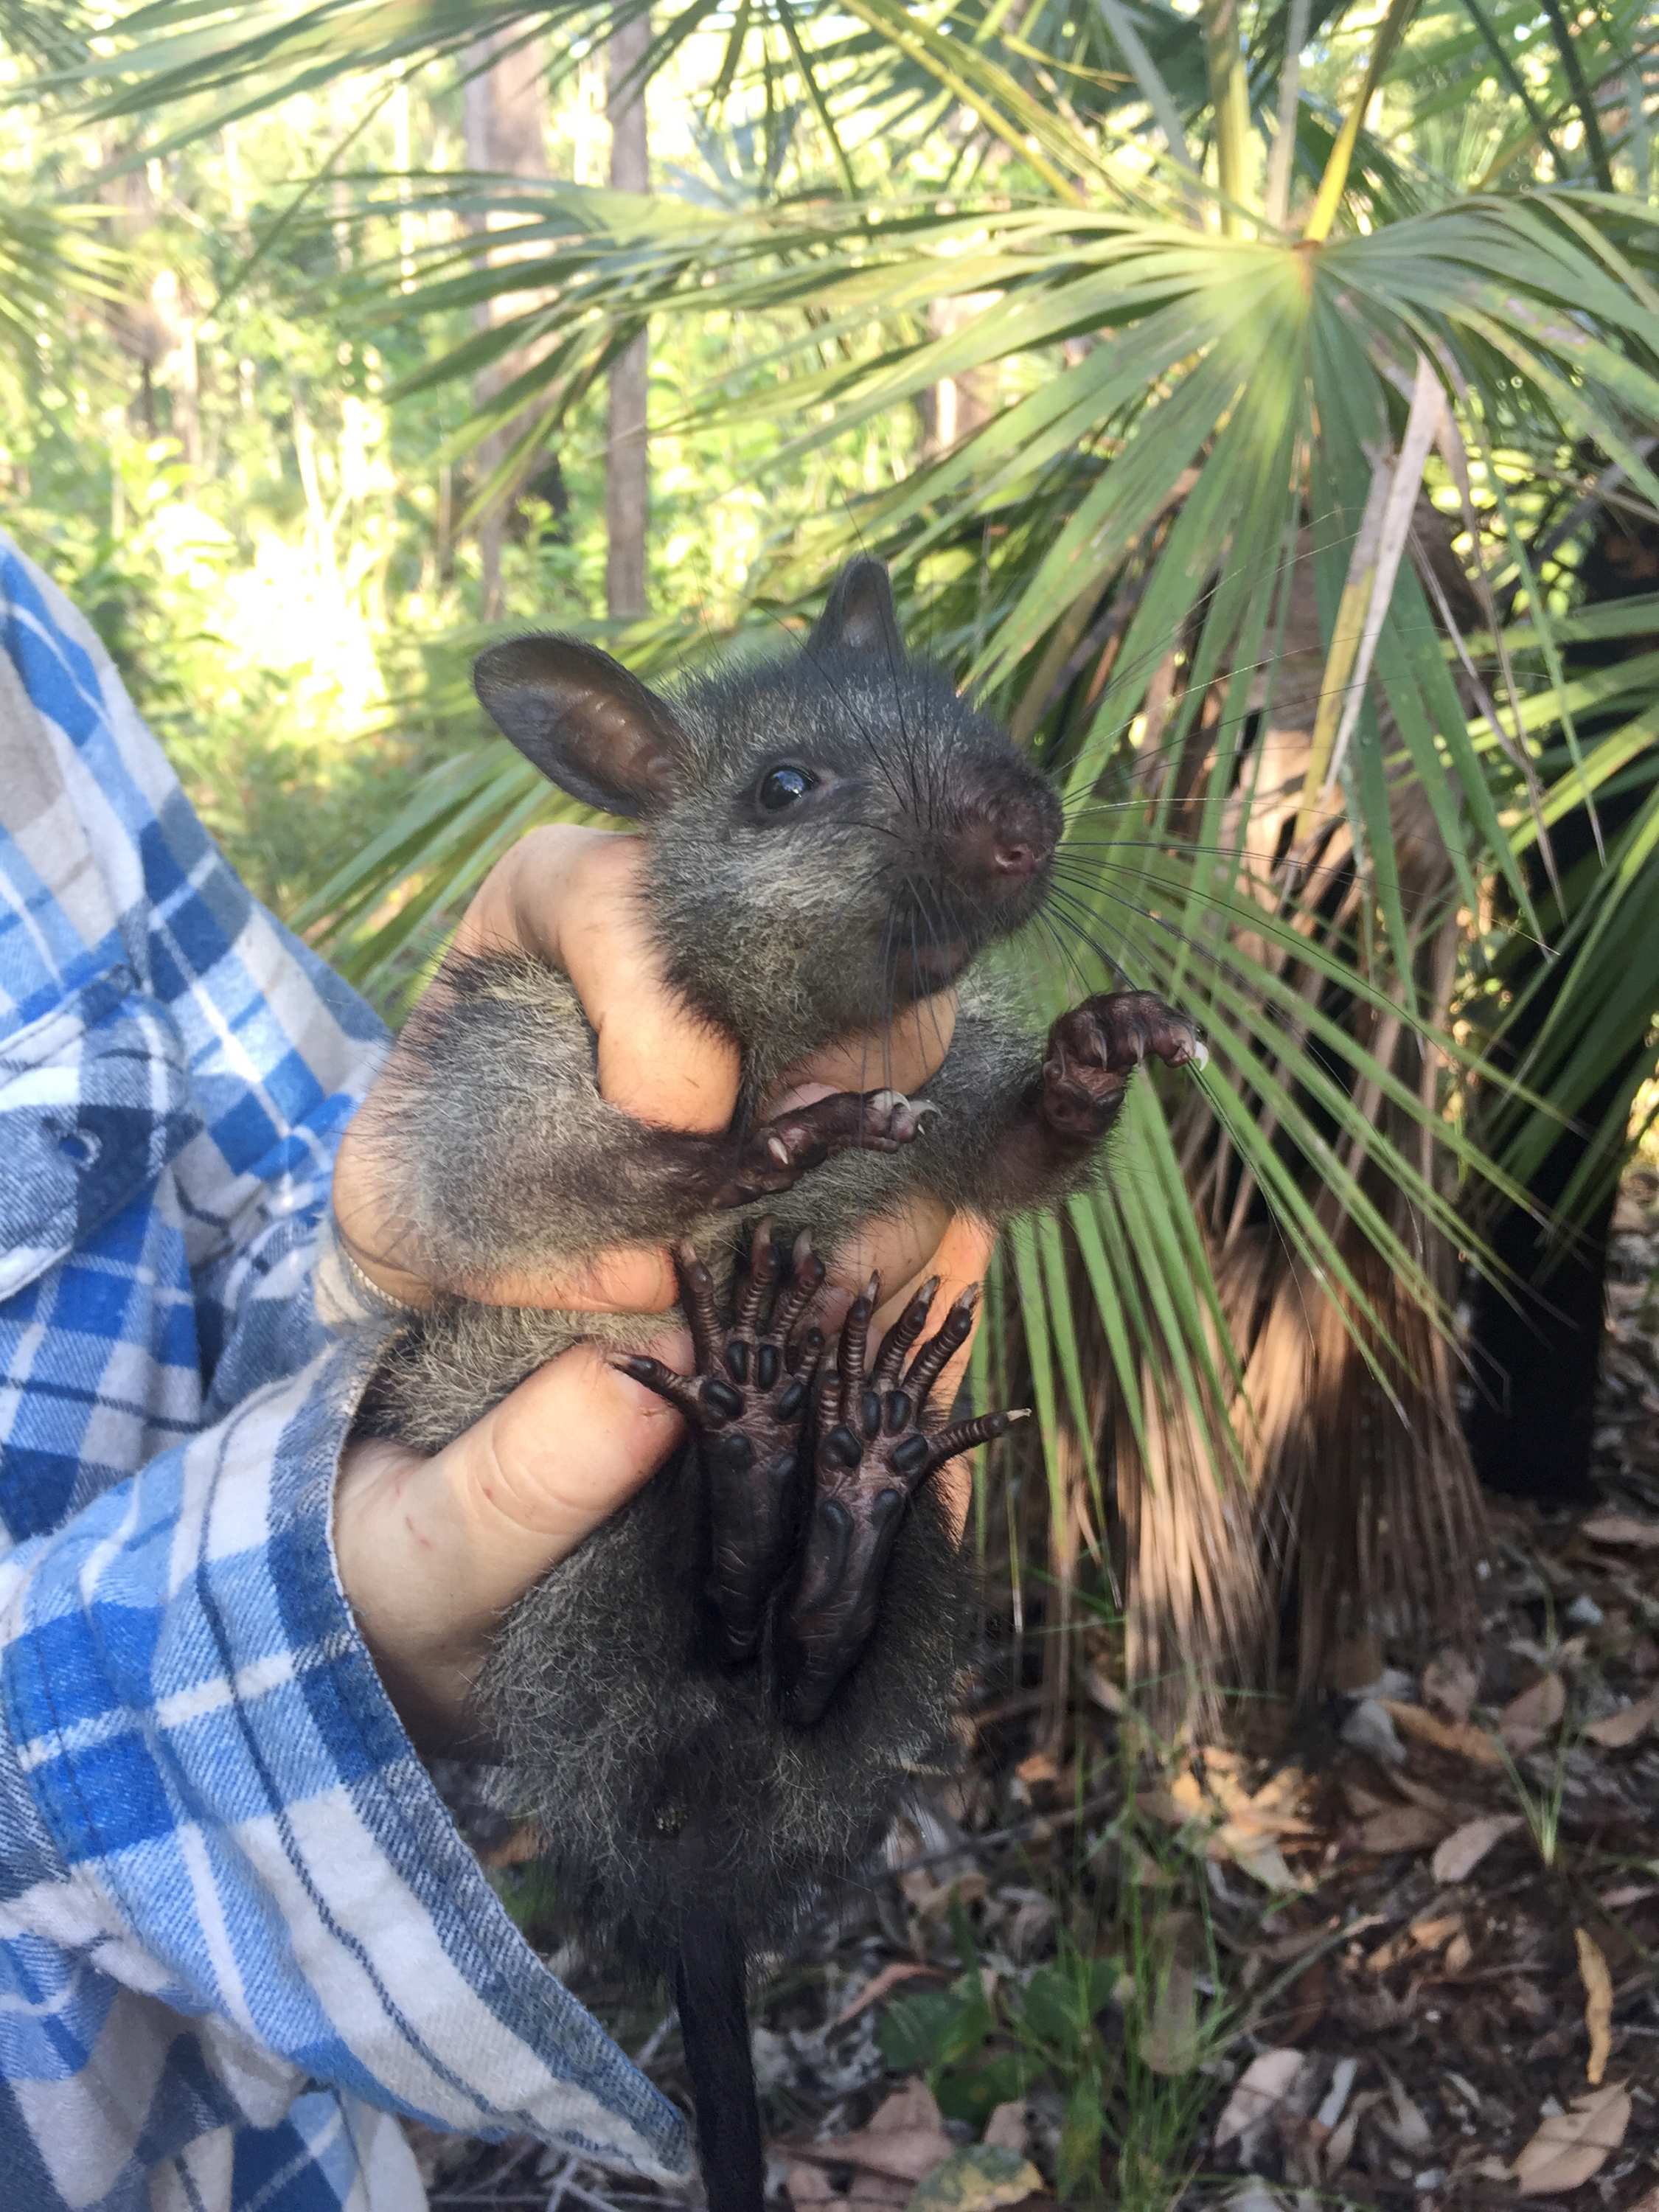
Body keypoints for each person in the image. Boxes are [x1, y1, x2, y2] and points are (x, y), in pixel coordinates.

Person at [0, 532, 993, 2211]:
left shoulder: (20, 644)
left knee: (765, 1587)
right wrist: (292, 1627)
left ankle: (806, 1538)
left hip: (316, 2158)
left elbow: (277, 1203)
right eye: (799, 791)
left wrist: (378, 1247)